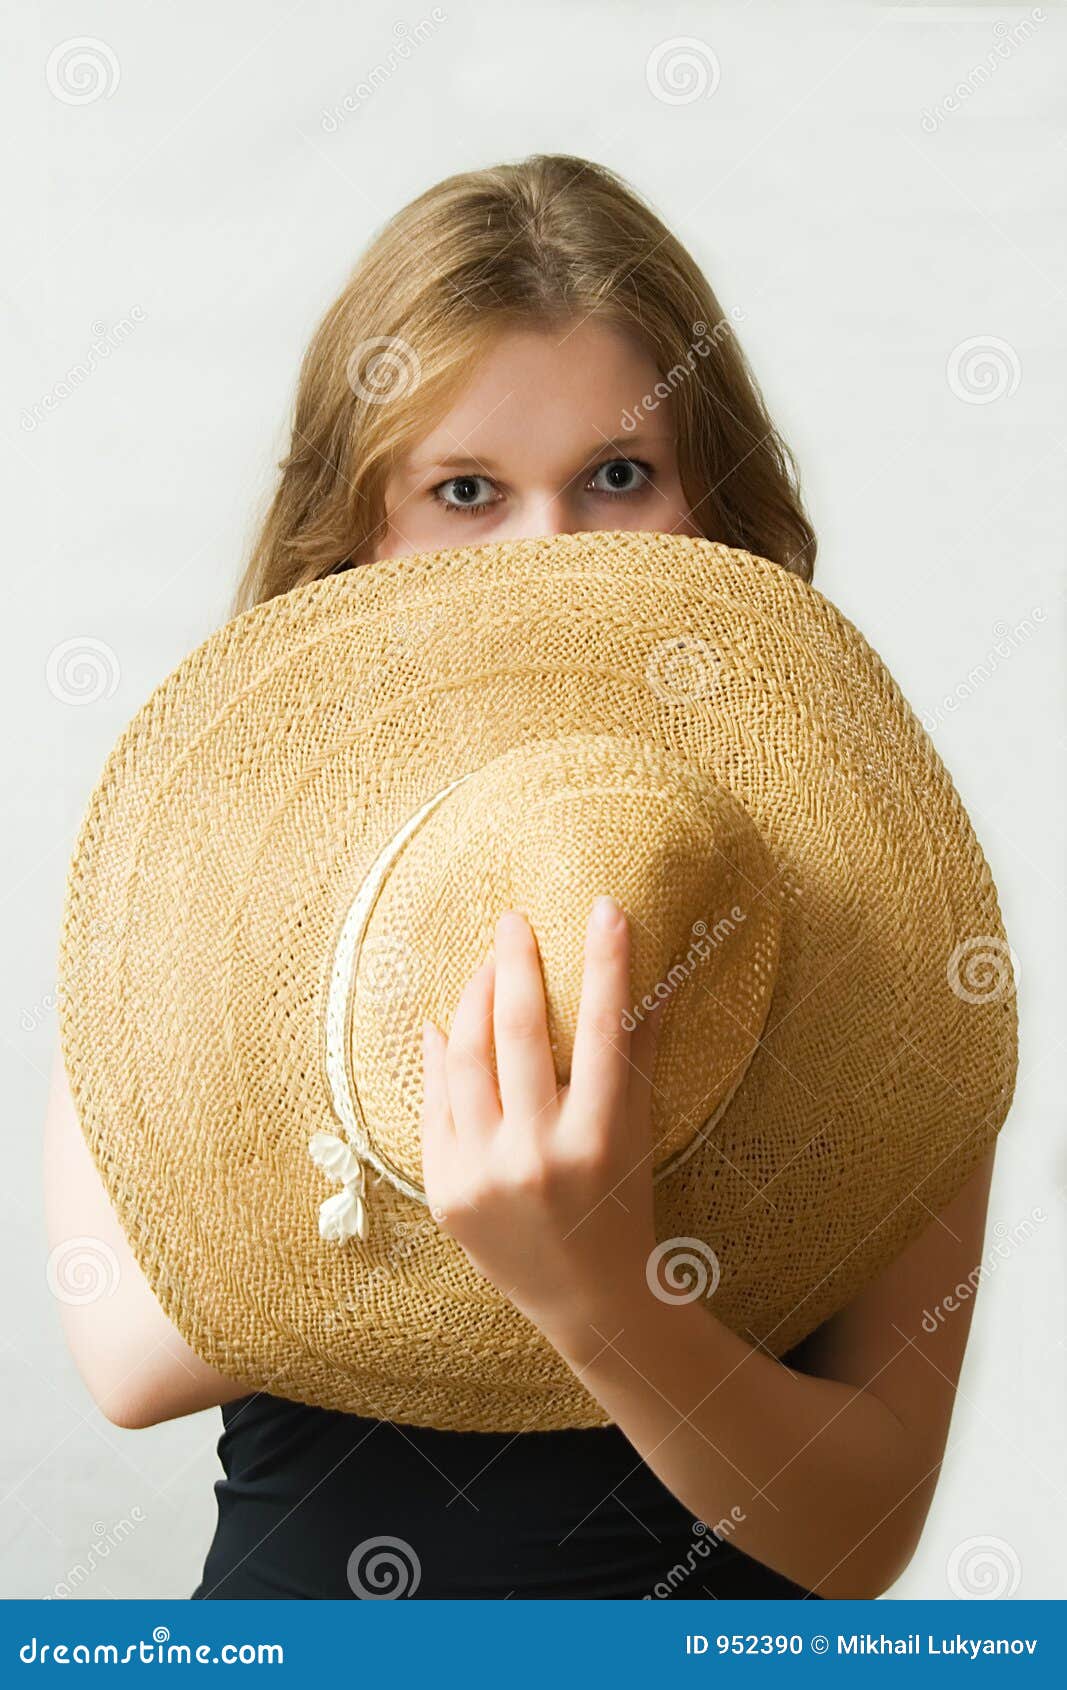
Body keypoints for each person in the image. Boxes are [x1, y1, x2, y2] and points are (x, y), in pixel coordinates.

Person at [45, 154, 995, 1601]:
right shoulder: (208, 872)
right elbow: (126, 1342)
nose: (549, 552)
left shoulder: (867, 897)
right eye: (468, 489)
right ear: (365, 532)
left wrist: (604, 1295)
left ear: (709, 505)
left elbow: (862, 1533)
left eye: (617, 476)